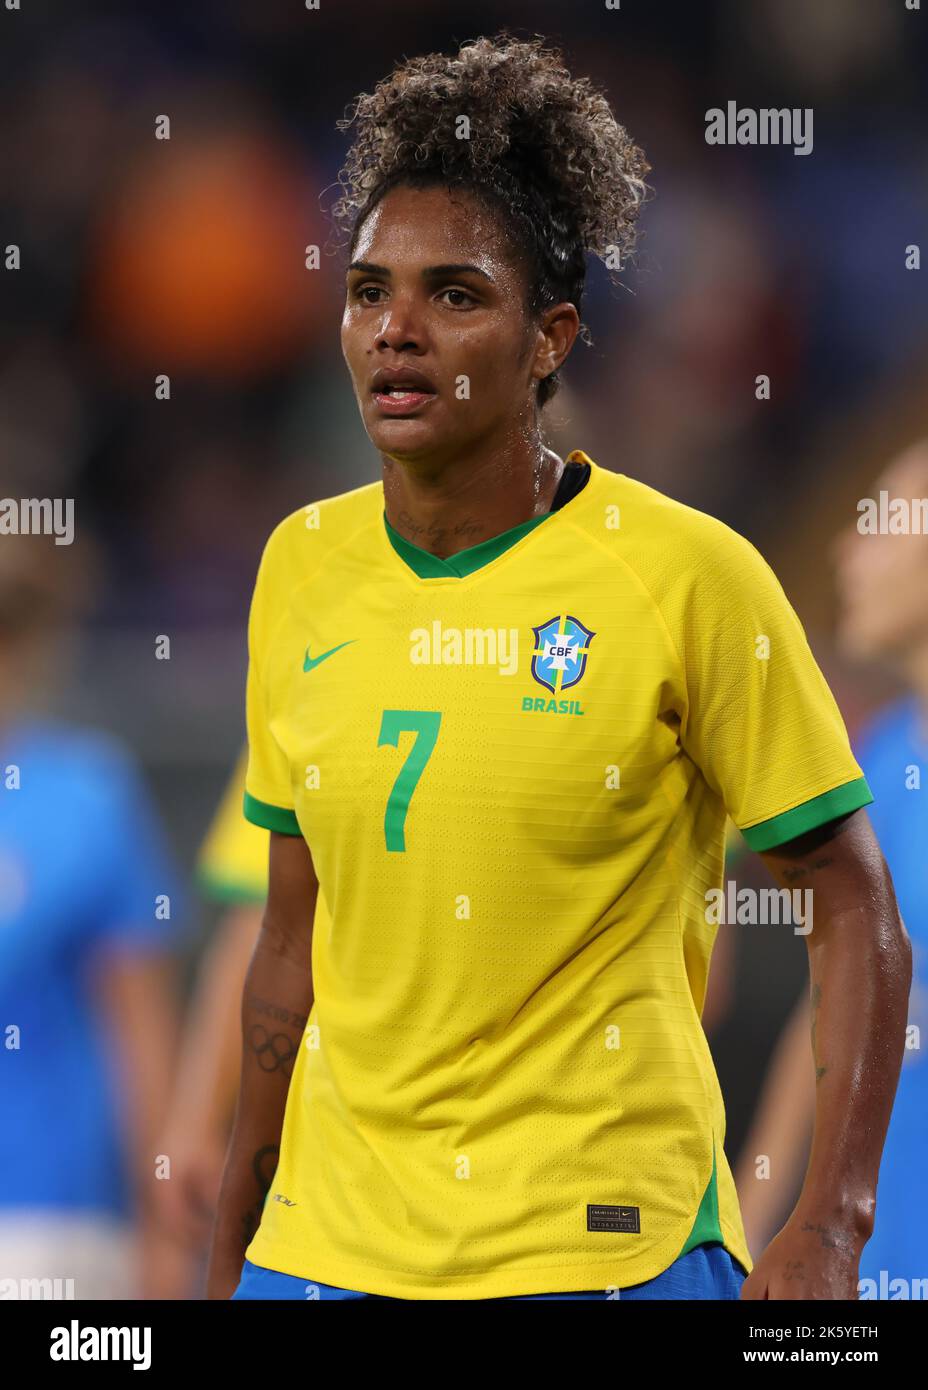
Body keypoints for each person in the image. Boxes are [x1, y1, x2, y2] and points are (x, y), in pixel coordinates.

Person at [207, 32, 910, 1301]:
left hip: (600, 1252)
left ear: (551, 337)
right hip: (323, 1258)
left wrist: (830, 1221)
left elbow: (852, 905)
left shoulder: (688, 575)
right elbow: (287, 943)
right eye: (369, 291)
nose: (397, 331)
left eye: (455, 295)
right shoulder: (297, 568)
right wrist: (225, 1247)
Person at [735, 440, 928, 1296]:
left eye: (885, 520)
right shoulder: (878, 766)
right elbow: (826, 1007)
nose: (849, 549)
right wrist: (749, 1221)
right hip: (871, 1247)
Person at [0, 531, 189, 1299]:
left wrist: (165, 1238)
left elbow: (144, 1047)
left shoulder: (84, 794)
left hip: (51, 1230)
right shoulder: (87, 792)